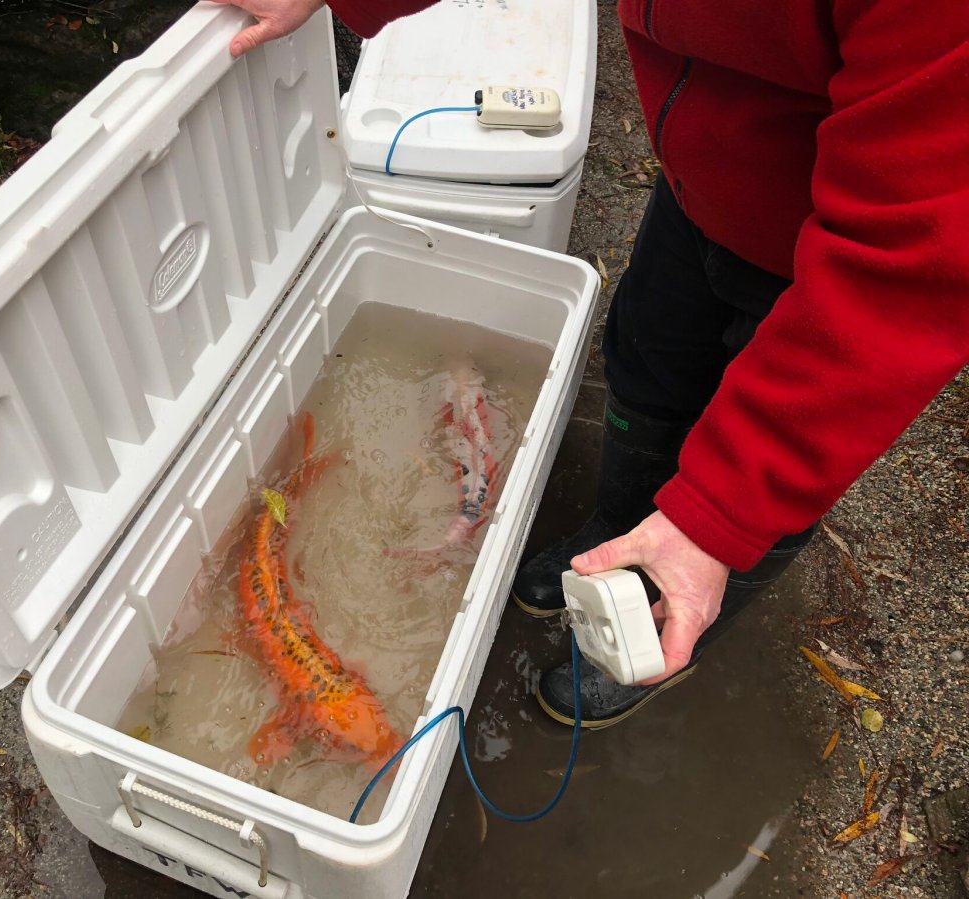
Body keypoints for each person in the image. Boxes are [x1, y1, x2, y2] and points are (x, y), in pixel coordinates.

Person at [212, 0, 969, 728]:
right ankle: (616, 528)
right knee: (643, 363)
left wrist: (718, 518)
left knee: (754, 488)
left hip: (825, 251)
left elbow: (909, 274)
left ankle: (670, 623)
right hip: (696, 187)